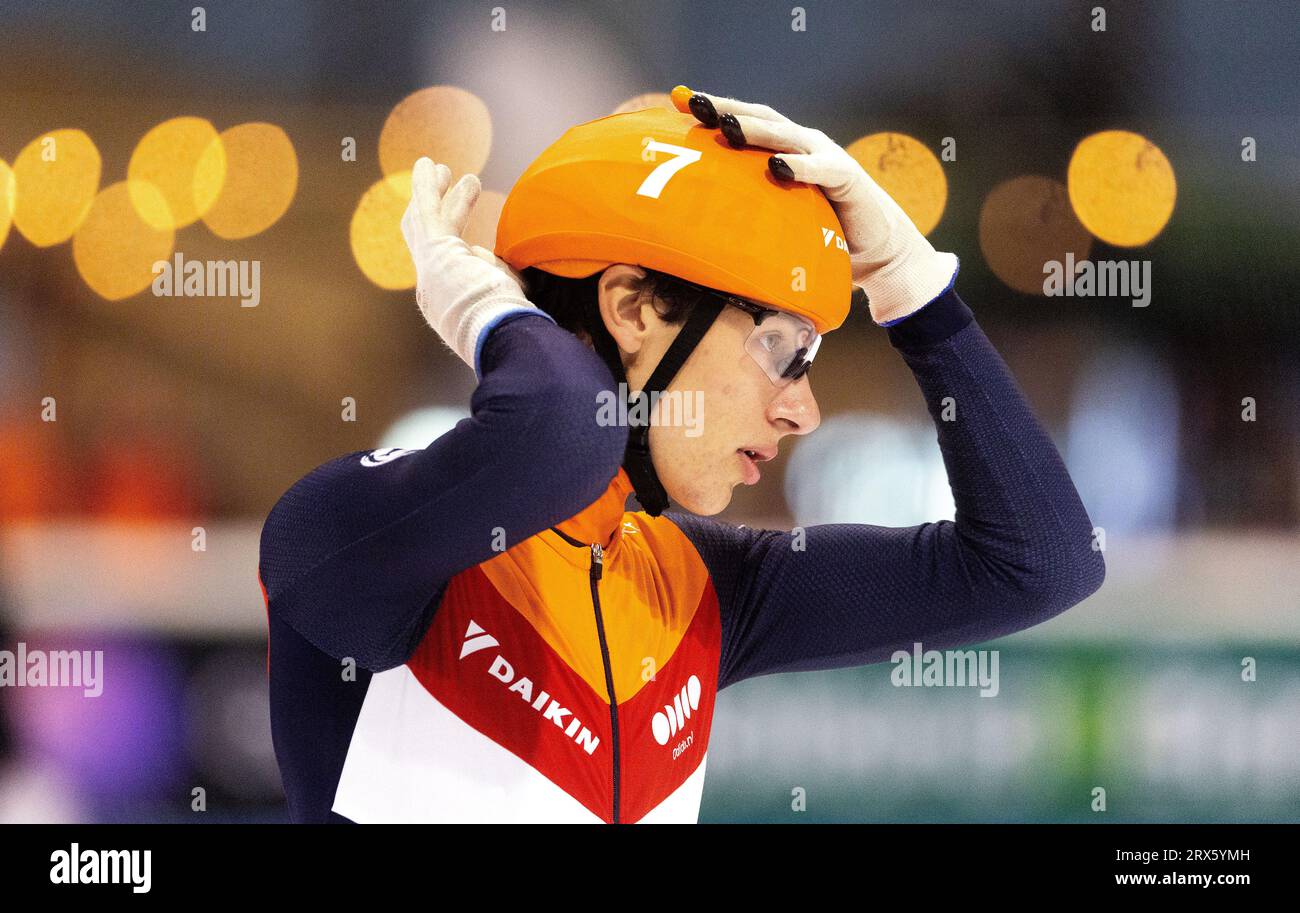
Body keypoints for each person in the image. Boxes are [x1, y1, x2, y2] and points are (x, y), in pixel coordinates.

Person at [259, 86, 1105, 823]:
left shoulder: (709, 589)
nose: (803, 409)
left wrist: (913, 284)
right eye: (782, 347)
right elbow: (559, 429)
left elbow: (1042, 560)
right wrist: (487, 306)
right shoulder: (361, 537)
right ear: (631, 307)